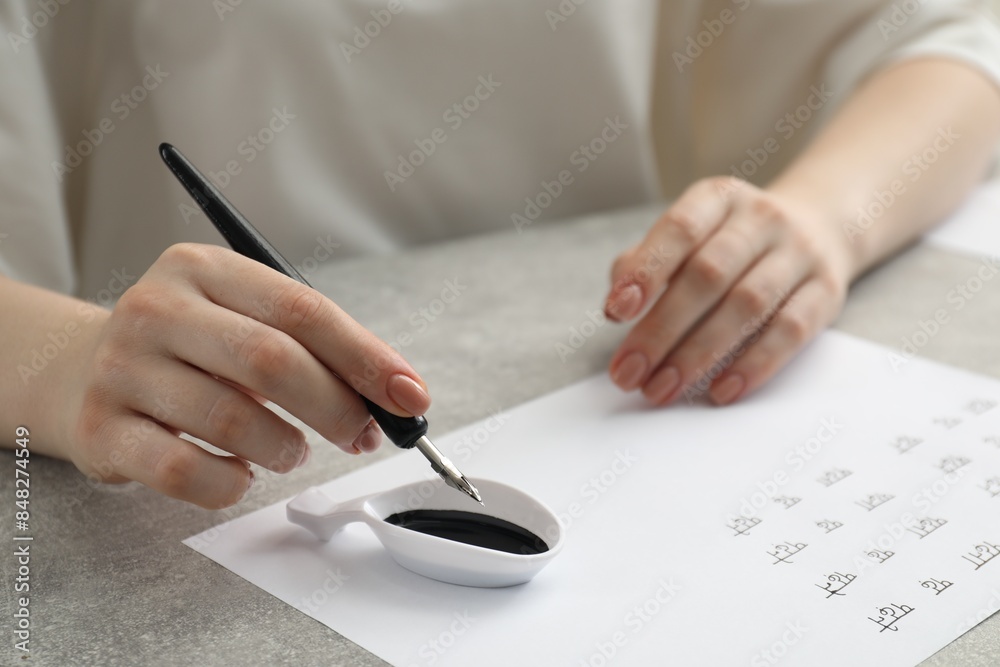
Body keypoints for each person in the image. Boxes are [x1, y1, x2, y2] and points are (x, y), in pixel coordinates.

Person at [2, 1, 999, 509]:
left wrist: (825, 217)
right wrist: (65, 368)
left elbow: (951, 34)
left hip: (601, 368)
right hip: (185, 436)